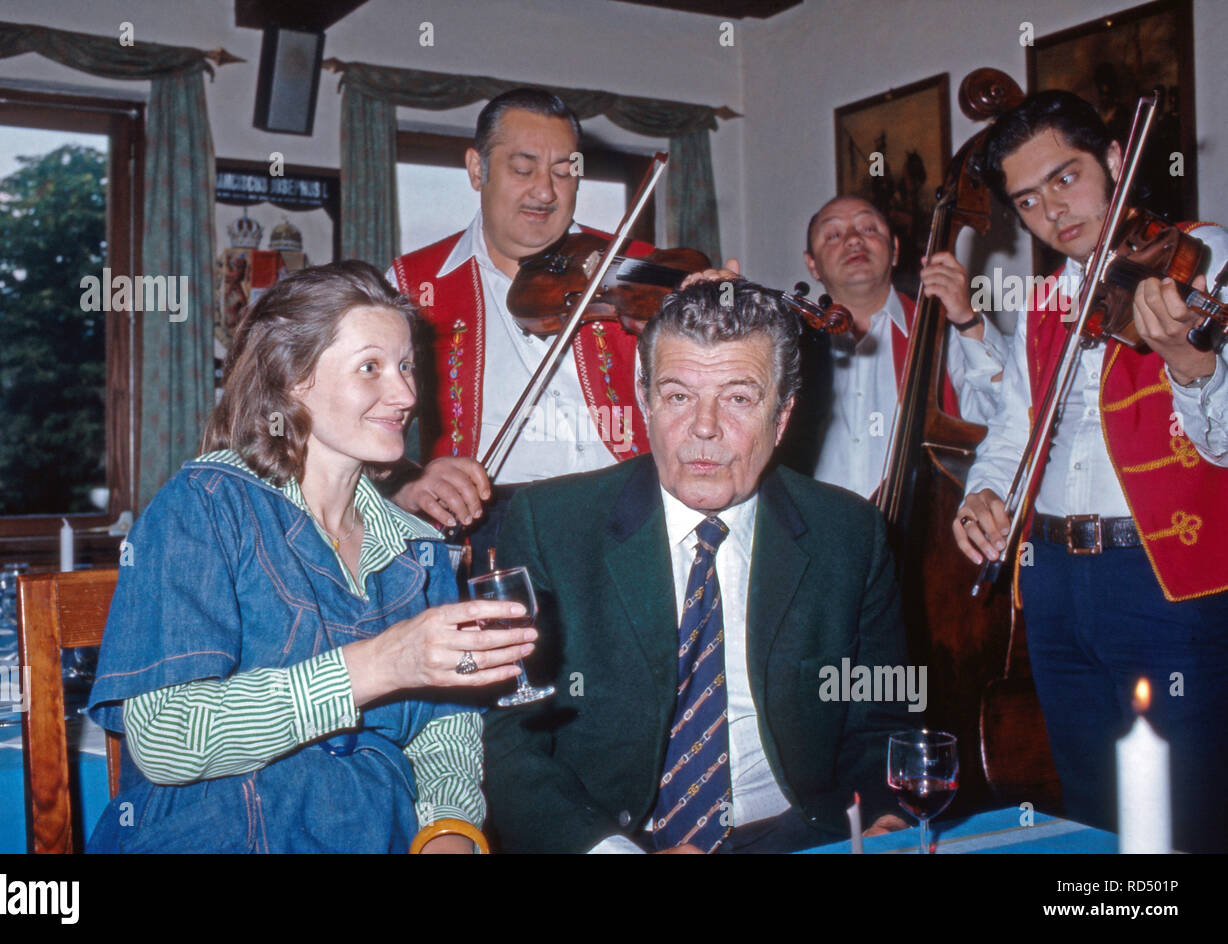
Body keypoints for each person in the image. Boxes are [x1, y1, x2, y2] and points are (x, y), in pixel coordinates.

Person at [85, 261, 538, 853]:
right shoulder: (206, 506)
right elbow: (167, 738)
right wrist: (376, 665)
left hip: (380, 828)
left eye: (405, 366)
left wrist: (448, 830)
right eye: (370, 368)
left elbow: (444, 726)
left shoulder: (416, 545)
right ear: (294, 378)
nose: (404, 394)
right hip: (219, 828)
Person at [482, 279, 914, 853]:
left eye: (738, 397)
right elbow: (509, 737)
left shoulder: (849, 533)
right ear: (645, 399)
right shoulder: (549, 523)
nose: (704, 428)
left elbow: (879, 721)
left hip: (795, 835)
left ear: (782, 416)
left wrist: (886, 816)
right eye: (679, 395)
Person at [952, 91, 1228, 853]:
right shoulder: (1045, 302)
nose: (1053, 212)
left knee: (1184, 816)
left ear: (1114, 161)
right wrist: (985, 488)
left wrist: (1190, 361)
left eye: (1066, 178)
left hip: (1163, 579)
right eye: (1029, 201)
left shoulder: (1205, 257)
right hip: (1052, 582)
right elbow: (1016, 428)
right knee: (1087, 807)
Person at [385, 87, 736, 563]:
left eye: (564, 171)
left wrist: (724, 323)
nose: (545, 192)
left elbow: (708, 391)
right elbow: (356, 417)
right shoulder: (413, 283)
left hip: (633, 511)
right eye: (523, 169)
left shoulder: (634, 267)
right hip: (489, 525)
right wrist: (406, 479)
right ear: (476, 169)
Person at [781, 194, 1006, 497]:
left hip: (919, 535)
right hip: (812, 533)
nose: (852, 240)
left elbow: (1006, 414)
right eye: (834, 234)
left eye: (869, 229)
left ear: (895, 250)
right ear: (813, 265)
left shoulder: (943, 332)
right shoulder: (787, 343)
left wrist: (967, 318)